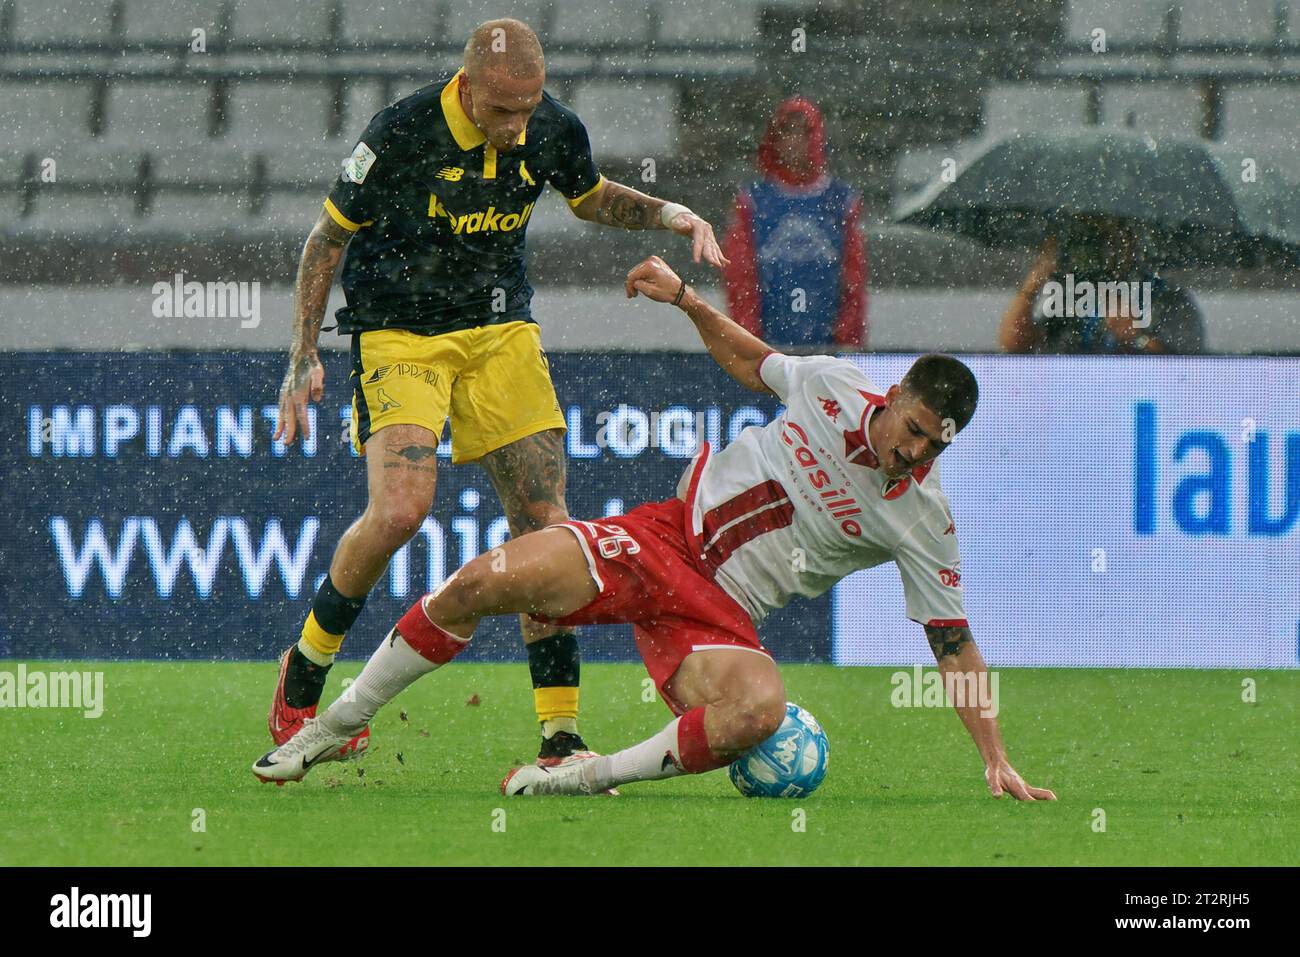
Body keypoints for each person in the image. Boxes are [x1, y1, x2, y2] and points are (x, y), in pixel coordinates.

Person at [254, 255, 1056, 804]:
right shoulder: (836, 385)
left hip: (719, 617)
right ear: (895, 394)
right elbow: (753, 362)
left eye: (933, 444)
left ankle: (583, 773)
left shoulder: (924, 517)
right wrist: (687, 300)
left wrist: (994, 755)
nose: (913, 452)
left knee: (761, 707)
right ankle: (326, 729)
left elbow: (954, 643)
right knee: (481, 583)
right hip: (662, 542)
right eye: (912, 428)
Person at [268, 18, 729, 771]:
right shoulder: (402, 131)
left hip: (499, 328)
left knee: (546, 526)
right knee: (401, 511)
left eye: (530, 109)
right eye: (504, 112)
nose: (520, 129)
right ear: (467, 86)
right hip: (401, 330)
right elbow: (326, 239)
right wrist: (300, 355)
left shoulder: (549, 126)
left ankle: (560, 737)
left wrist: (669, 214)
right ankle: (305, 671)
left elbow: (587, 195)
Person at [721, 96, 868, 348]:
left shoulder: (840, 201)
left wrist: (848, 334)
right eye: (787, 133)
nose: (794, 142)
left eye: (803, 133)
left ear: (816, 138)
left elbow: (853, 273)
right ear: (774, 139)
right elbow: (739, 274)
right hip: (767, 344)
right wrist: (748, 335)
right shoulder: (753, 201)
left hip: (828, 343)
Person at [999, 217, 1204, 355]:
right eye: (1085, 240)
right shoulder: (1072, 298)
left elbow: (1190, 376)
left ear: (1129, 242)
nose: (1095, 251)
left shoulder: (1165, 298)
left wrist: (1137, 337)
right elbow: (1015, 345)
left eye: (1106, 240)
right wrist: (1036, 277)